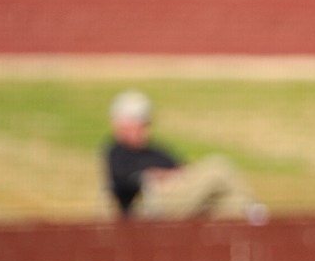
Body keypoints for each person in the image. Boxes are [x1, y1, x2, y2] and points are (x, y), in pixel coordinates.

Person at [101, 90, 263, 221]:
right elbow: (121, 180)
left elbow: (182, 168)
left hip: (181, 196)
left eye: (144, 123)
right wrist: (156, 176)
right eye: (135, 122)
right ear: (119, 124)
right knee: (219, 167)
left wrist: (179, 176)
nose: (141, 128)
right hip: (151, 203)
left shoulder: (156, 149)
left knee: (231, 204)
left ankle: (261, 223)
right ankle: (256, 212)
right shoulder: (116, 151)